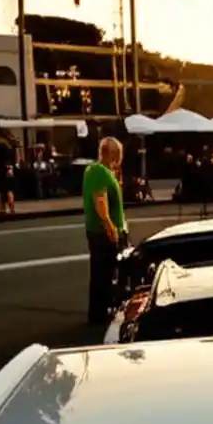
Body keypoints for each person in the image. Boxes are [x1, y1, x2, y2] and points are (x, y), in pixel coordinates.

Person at [83, 137, 127, 324]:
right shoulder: (100, 172)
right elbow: (100, 201)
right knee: (106, 274)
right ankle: (102, 315)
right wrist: (110, 226)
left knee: (99, 274)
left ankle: (98, 312)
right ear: (113, 153)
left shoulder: (93, 170)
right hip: (104, 233)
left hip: (97, 232)